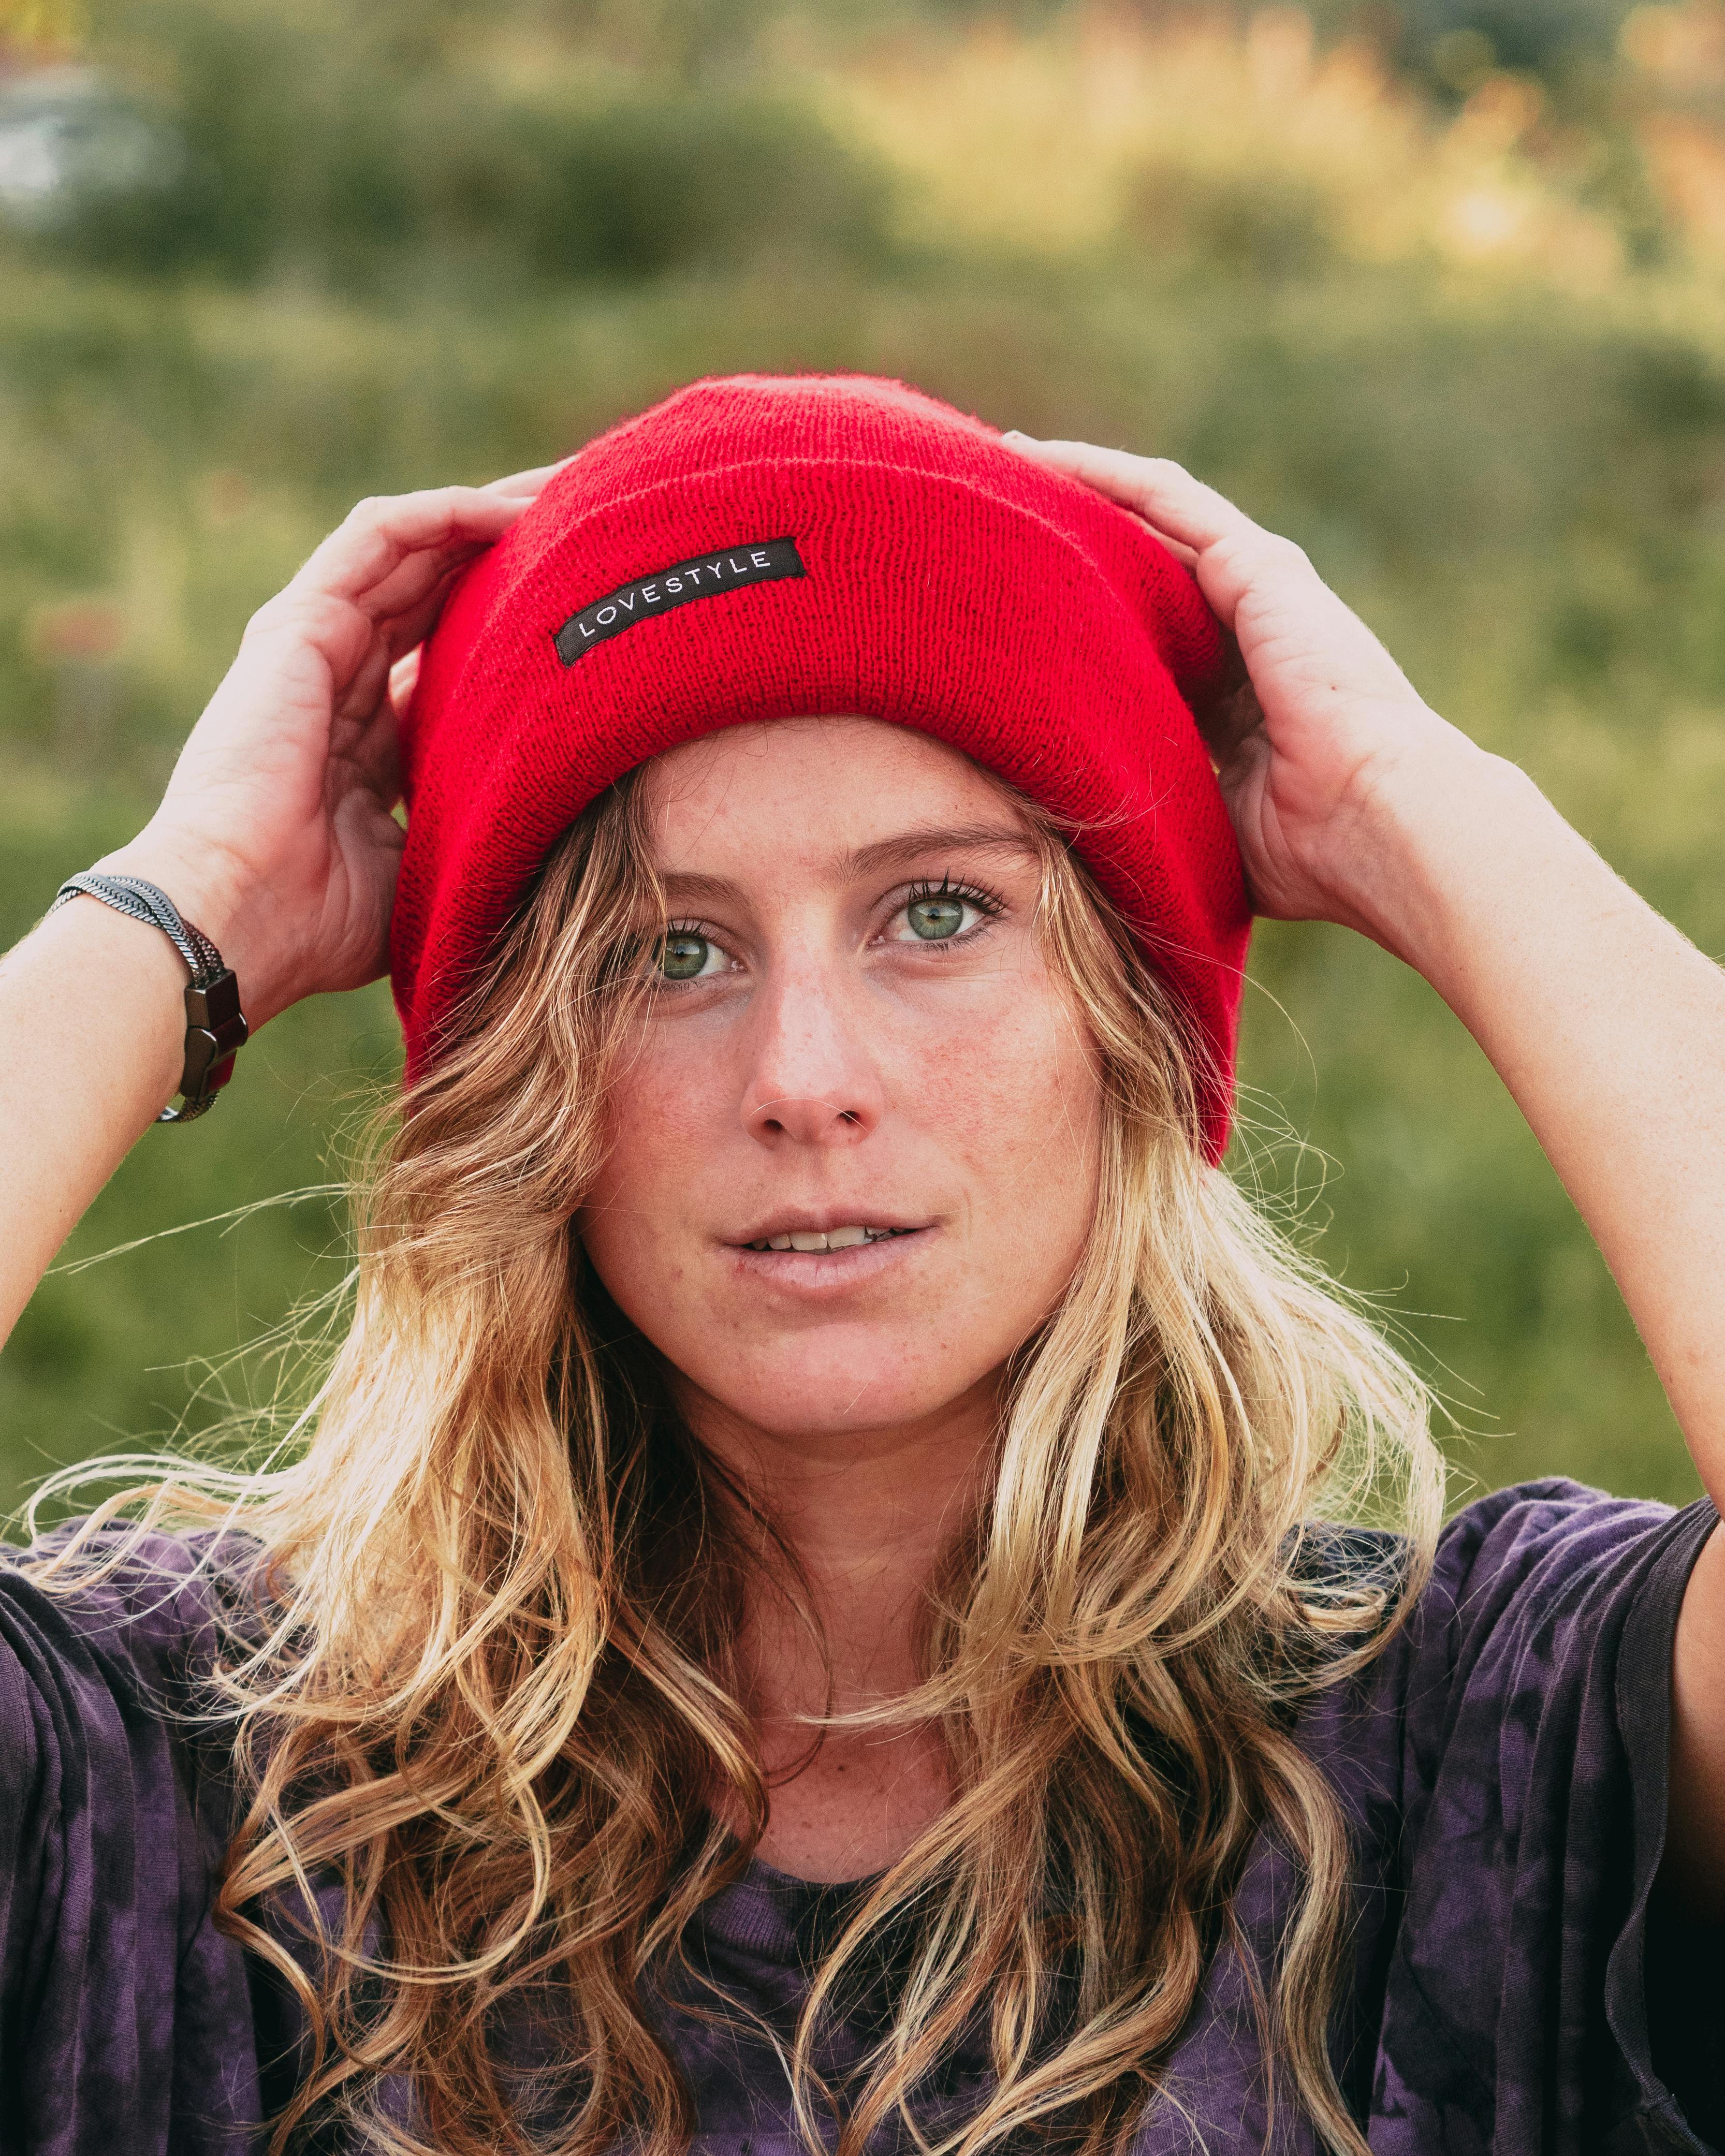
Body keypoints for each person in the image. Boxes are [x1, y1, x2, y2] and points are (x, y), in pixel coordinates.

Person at [0, 372, 1720, 2156]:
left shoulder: (1465, 1750)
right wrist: (184, 905)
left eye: (939, 913)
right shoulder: (196, 1778)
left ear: (1127, 1018)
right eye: (667, 950)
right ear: (518, 1070)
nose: (803, 1081)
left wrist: (1424, 815)